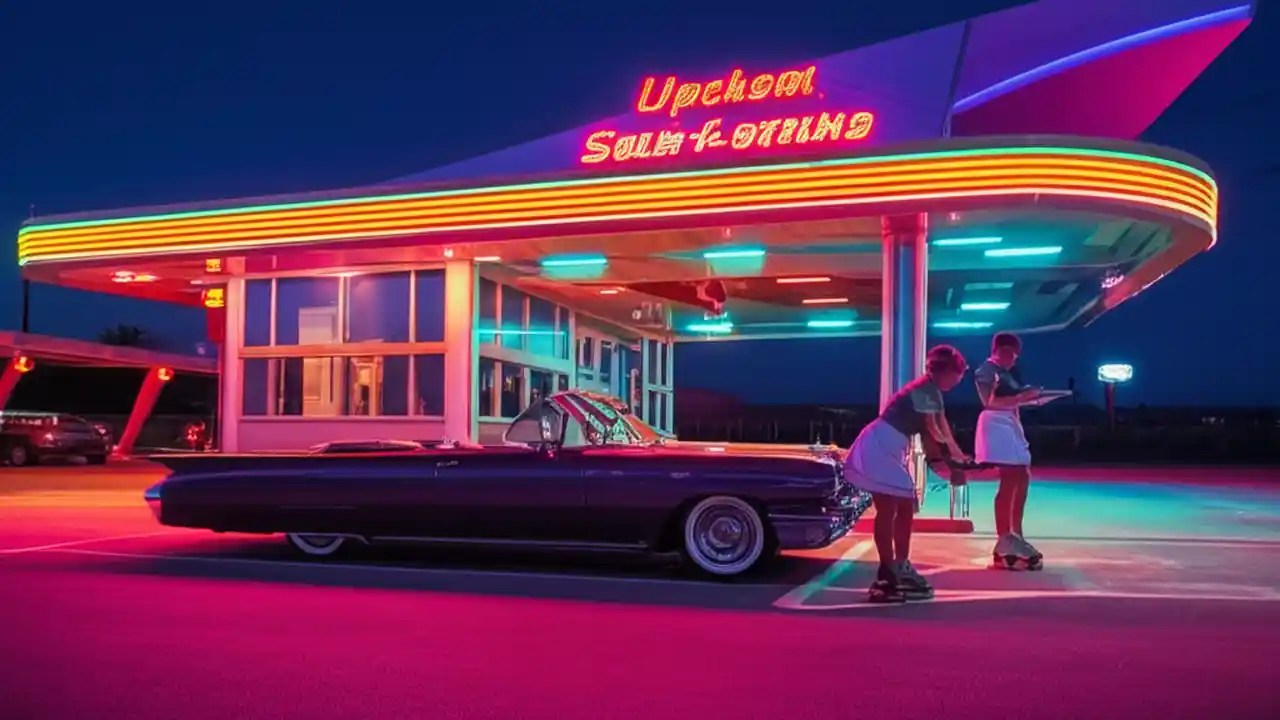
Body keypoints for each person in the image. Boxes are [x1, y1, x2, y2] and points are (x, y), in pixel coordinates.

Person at [845, 345, 970, 603]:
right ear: (947, 372)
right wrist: (956, 466)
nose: (959, 381)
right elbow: (933, 434)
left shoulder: (931, 391)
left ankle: (896, 566)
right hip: (881, 445)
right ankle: (890, 569)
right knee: (895, 507)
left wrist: (960, 459)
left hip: (887, 445)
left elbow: (942, 430)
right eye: (958, 375)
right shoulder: (925, 391)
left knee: (899, 507)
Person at [974, 332, 1044, 570]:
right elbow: (989, 402)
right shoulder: (986, 370)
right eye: (1012, 354)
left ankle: (1016, 533)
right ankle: (1005, 538)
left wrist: (1029, 397)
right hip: (996, 423)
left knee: (1022, 474)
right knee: (1009, 477)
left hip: (1010, 422)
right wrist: (1022, 397)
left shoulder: (1008, 373)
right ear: (1001, 351)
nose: (1014, 359)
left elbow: (1013, 397)